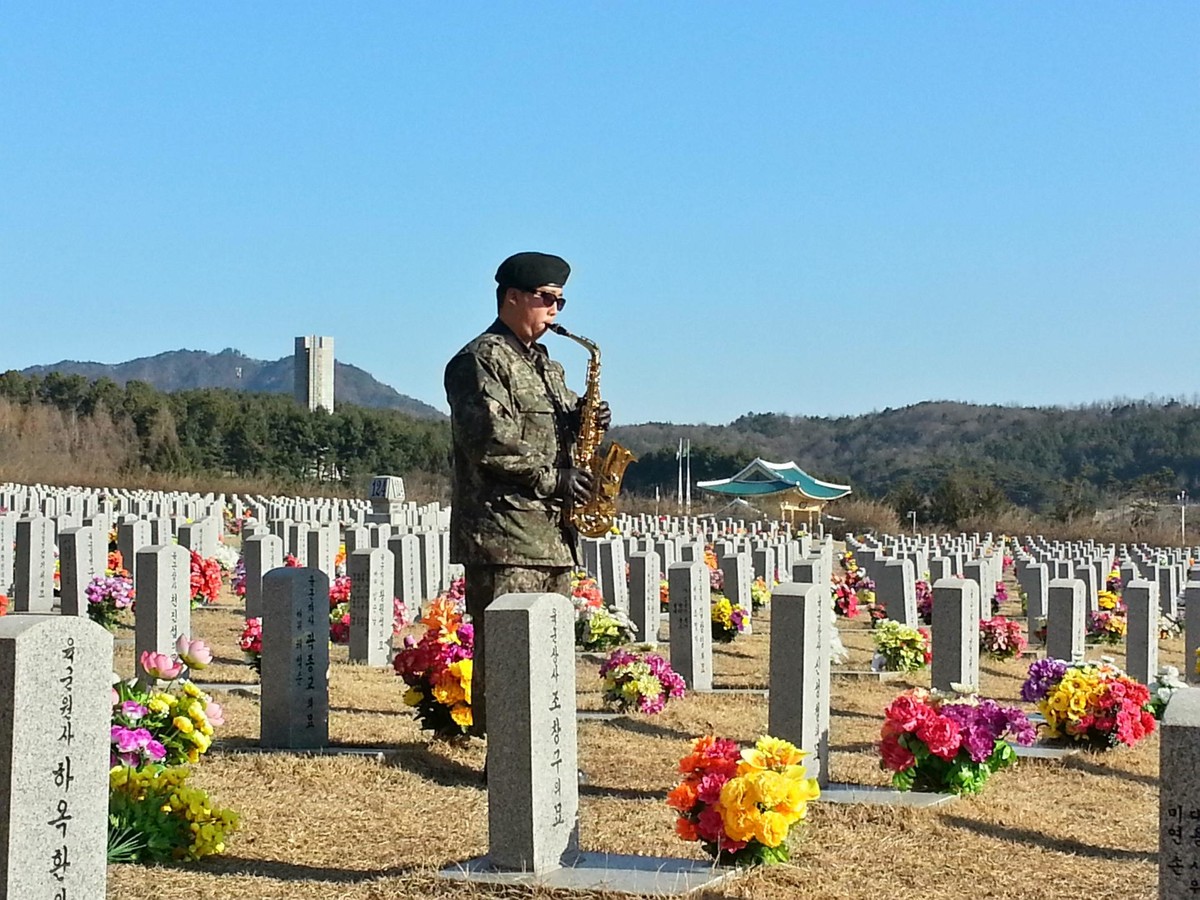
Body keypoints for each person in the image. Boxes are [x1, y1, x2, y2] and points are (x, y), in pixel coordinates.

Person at [444, 251, 611, 738]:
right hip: (504, 534)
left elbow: (559, 433)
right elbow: (489, 443)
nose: (556, 308)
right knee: (507, 658)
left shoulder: (547, 365)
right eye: (546, 298)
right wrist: (551, 479)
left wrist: (587, 419)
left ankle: (545, 759)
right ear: (512, 298)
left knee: (549, 658)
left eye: (560, 300)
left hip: (552, 534)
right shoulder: (479, 360)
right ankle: (510, 764)